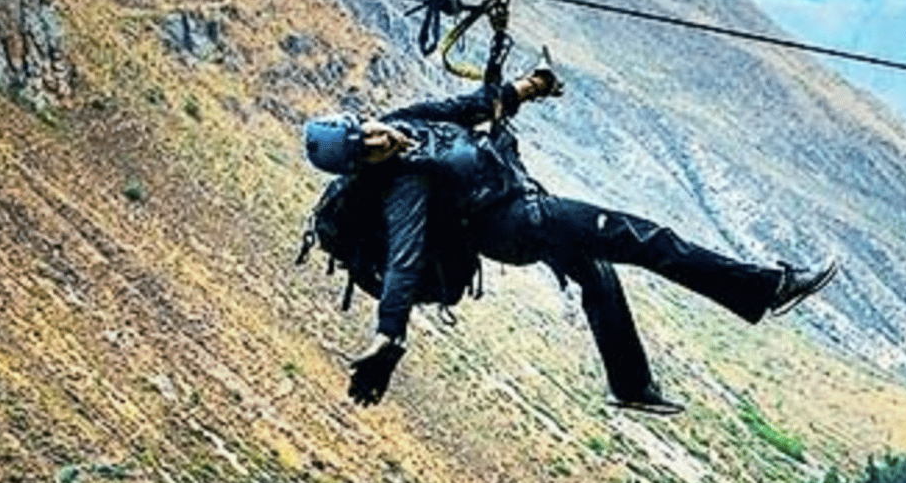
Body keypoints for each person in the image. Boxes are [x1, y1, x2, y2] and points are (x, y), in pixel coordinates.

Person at [300, 65, 837, 412]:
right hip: (518, 224)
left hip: (521, 204)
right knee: (644, 239)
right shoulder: (403, 186)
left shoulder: (404, 120)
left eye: (366, 130)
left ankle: (630, 386)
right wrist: (388, 337)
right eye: (366, 148)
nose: (378, 139)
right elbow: (406, 262)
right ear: (360, 165)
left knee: (595, 271)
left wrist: (528, 88)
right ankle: (769, 288)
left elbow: (469, 106)